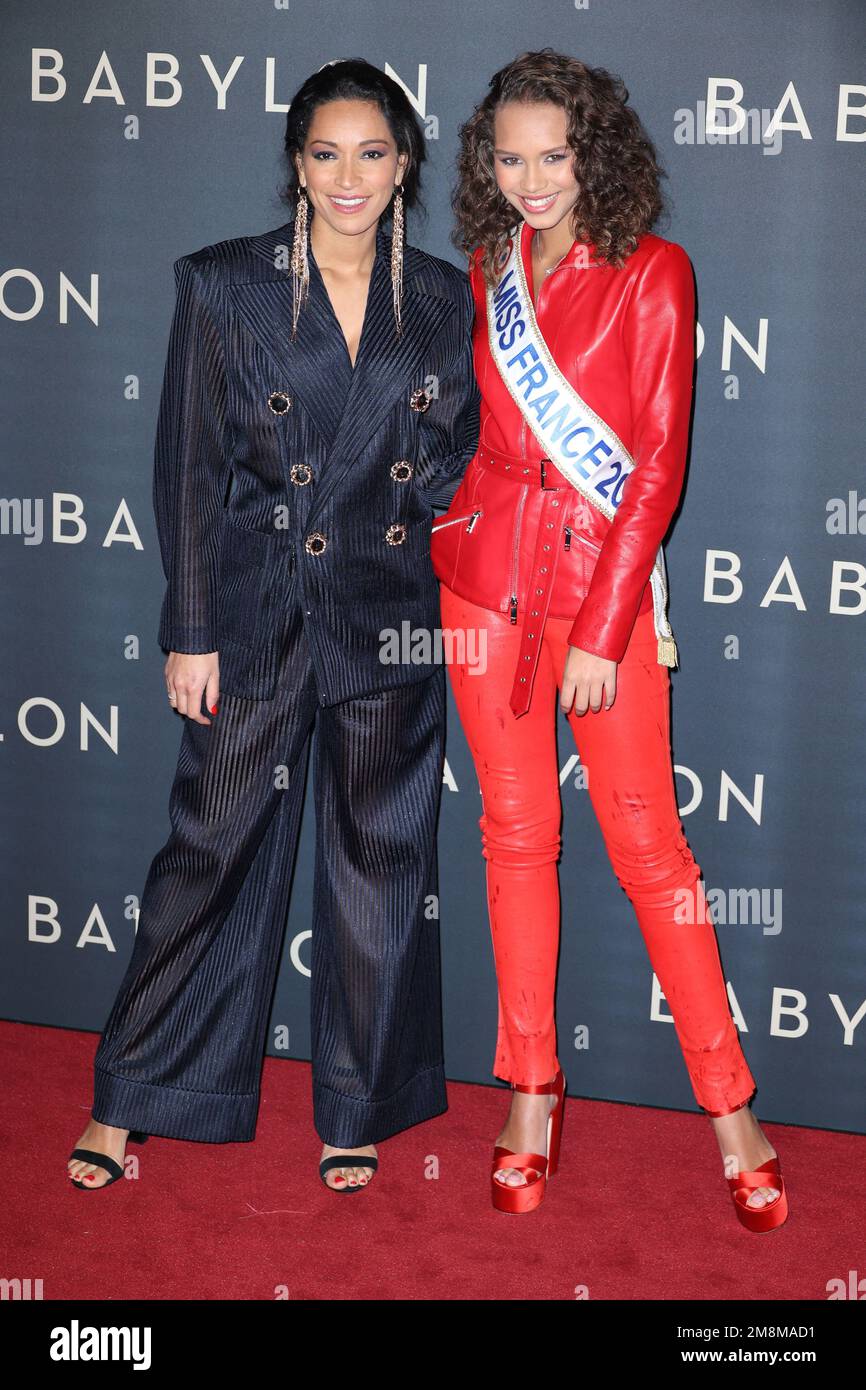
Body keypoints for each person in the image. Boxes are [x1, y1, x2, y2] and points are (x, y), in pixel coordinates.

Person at [66, 58, 480, 1195]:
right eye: (324, 153)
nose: (348, 177)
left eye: (373, 154)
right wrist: (188, 632)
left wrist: (430, 464)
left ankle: (358, 1102)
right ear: (295, 164)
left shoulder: (445, 297)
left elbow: (457, 463)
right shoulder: (222, 286)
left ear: (405, 168)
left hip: (385, 619)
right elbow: (188, 473)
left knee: (381, 863)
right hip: (254, 618)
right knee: (206, 856)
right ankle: (135, 1095)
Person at [431, 49, 788, 1229]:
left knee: (651, 855)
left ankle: (730, 1104)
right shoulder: (489, 268)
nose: (532, 180)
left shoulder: (654, 270)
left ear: (594, 153)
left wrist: (605, 624)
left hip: (600, 602)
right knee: (513, 838)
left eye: (554, 155)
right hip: (484, 593)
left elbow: (654, 472)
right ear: (488, 160)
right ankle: (527, 1088)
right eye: (510, 157)